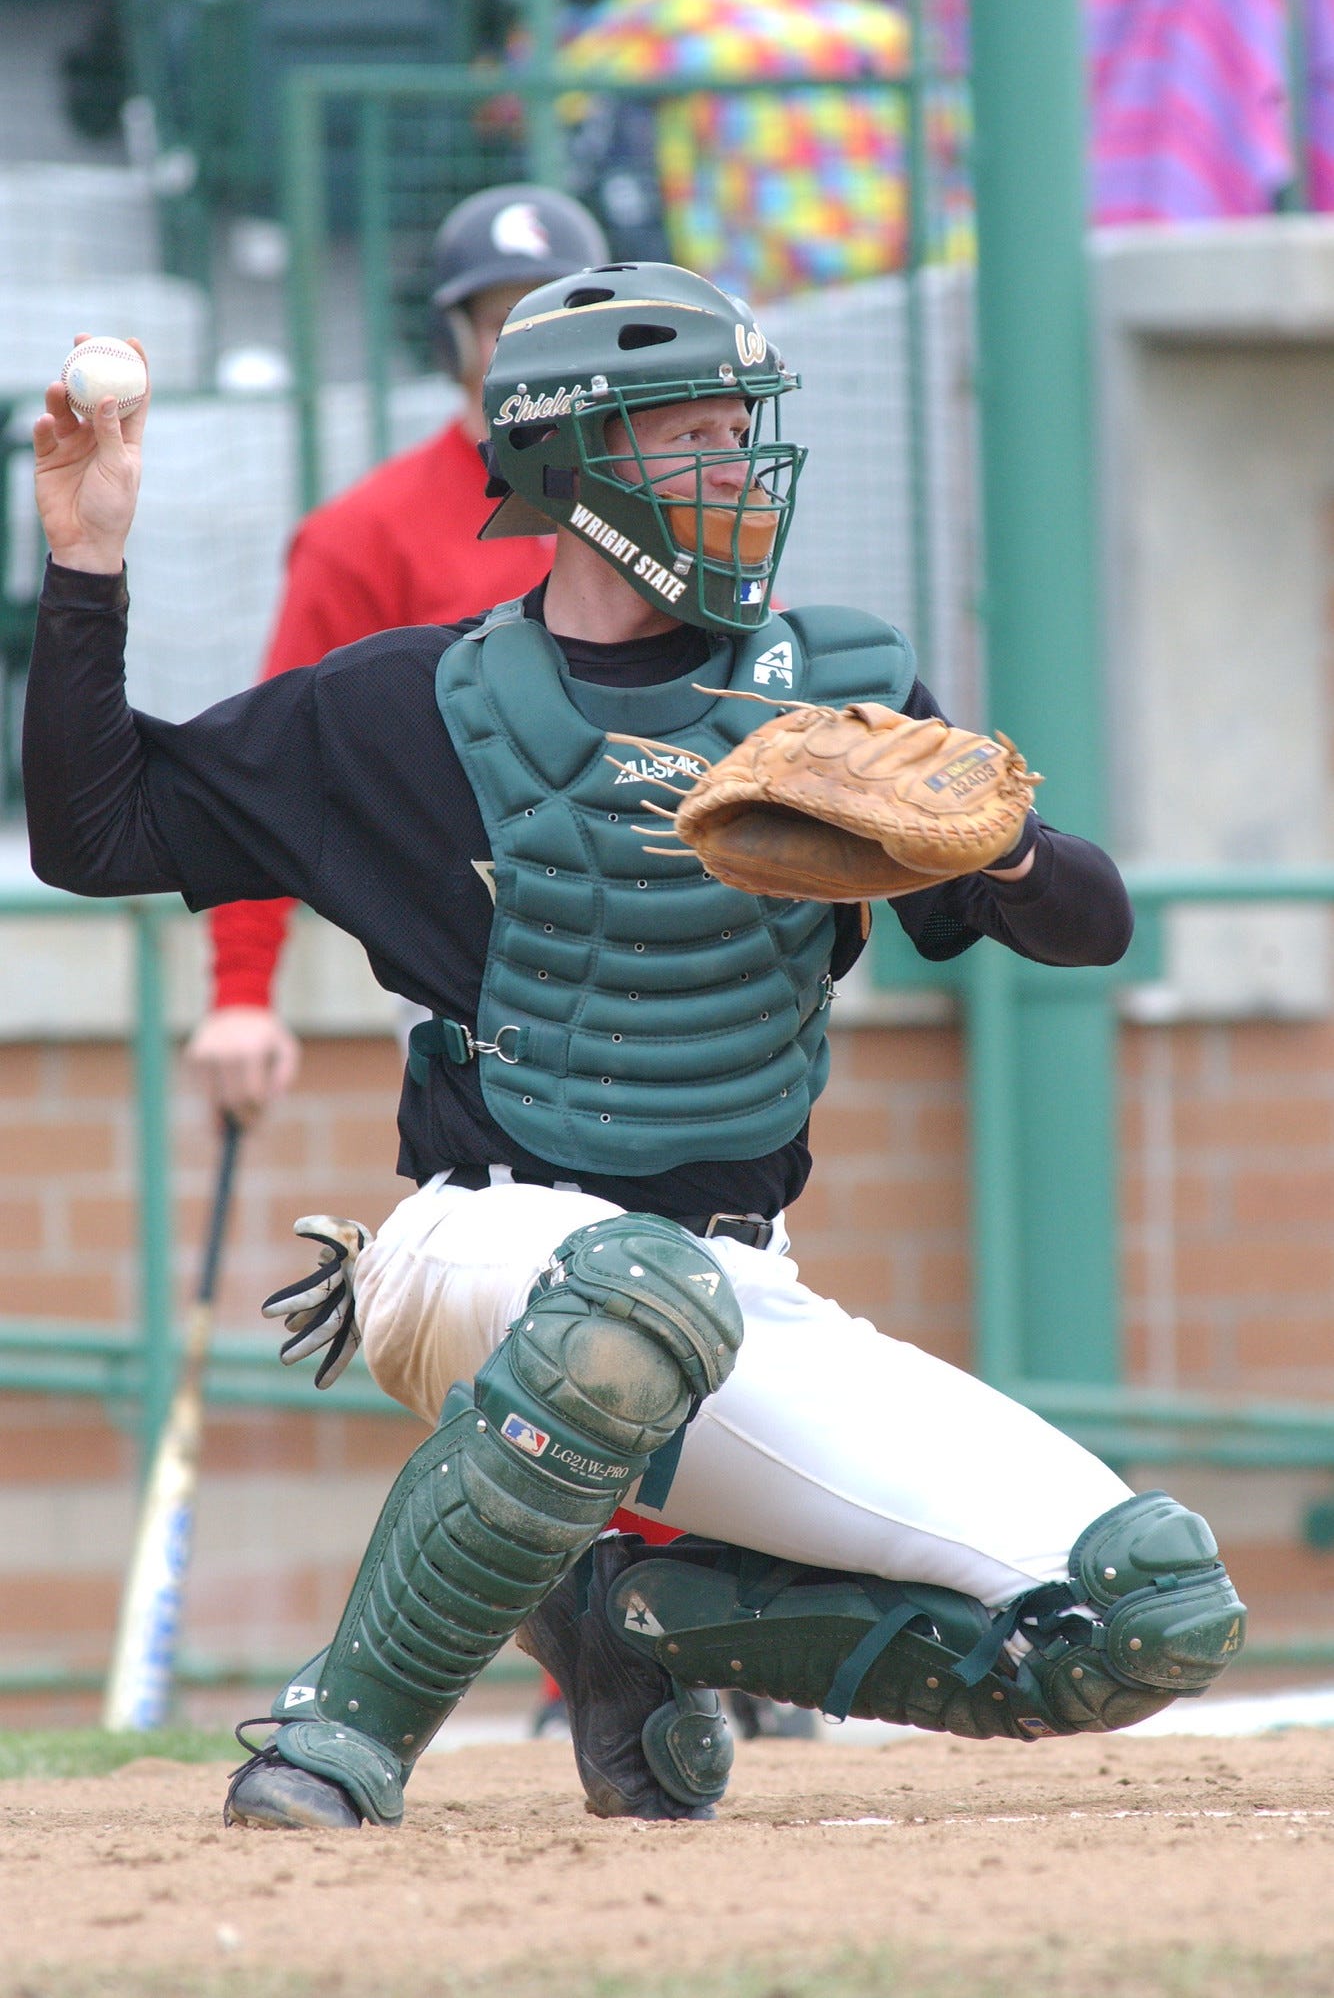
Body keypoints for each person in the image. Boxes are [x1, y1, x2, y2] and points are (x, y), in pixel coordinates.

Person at [26, 262, 1246, 1832]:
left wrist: (991, 848)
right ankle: (341, 1734)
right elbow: (96, 827)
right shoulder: (410, 705)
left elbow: (1089, 925)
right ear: (573, 465)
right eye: (691, 440)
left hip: (739, 1286)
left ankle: (632, 1624)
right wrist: (87, 564)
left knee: (1140, 1609)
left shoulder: (839, 697)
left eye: (745, 435)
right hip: (475, 1248)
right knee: (629, 1291)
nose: (739, 476)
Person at [184, 182, 610, 1124]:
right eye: (508, 321)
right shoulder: (365, 533)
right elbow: (278, 766)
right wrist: (243, 990)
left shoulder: (661, 503)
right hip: (475, 946)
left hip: (671, 925)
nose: (536, 350)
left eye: (567, 318)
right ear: (457, 339)